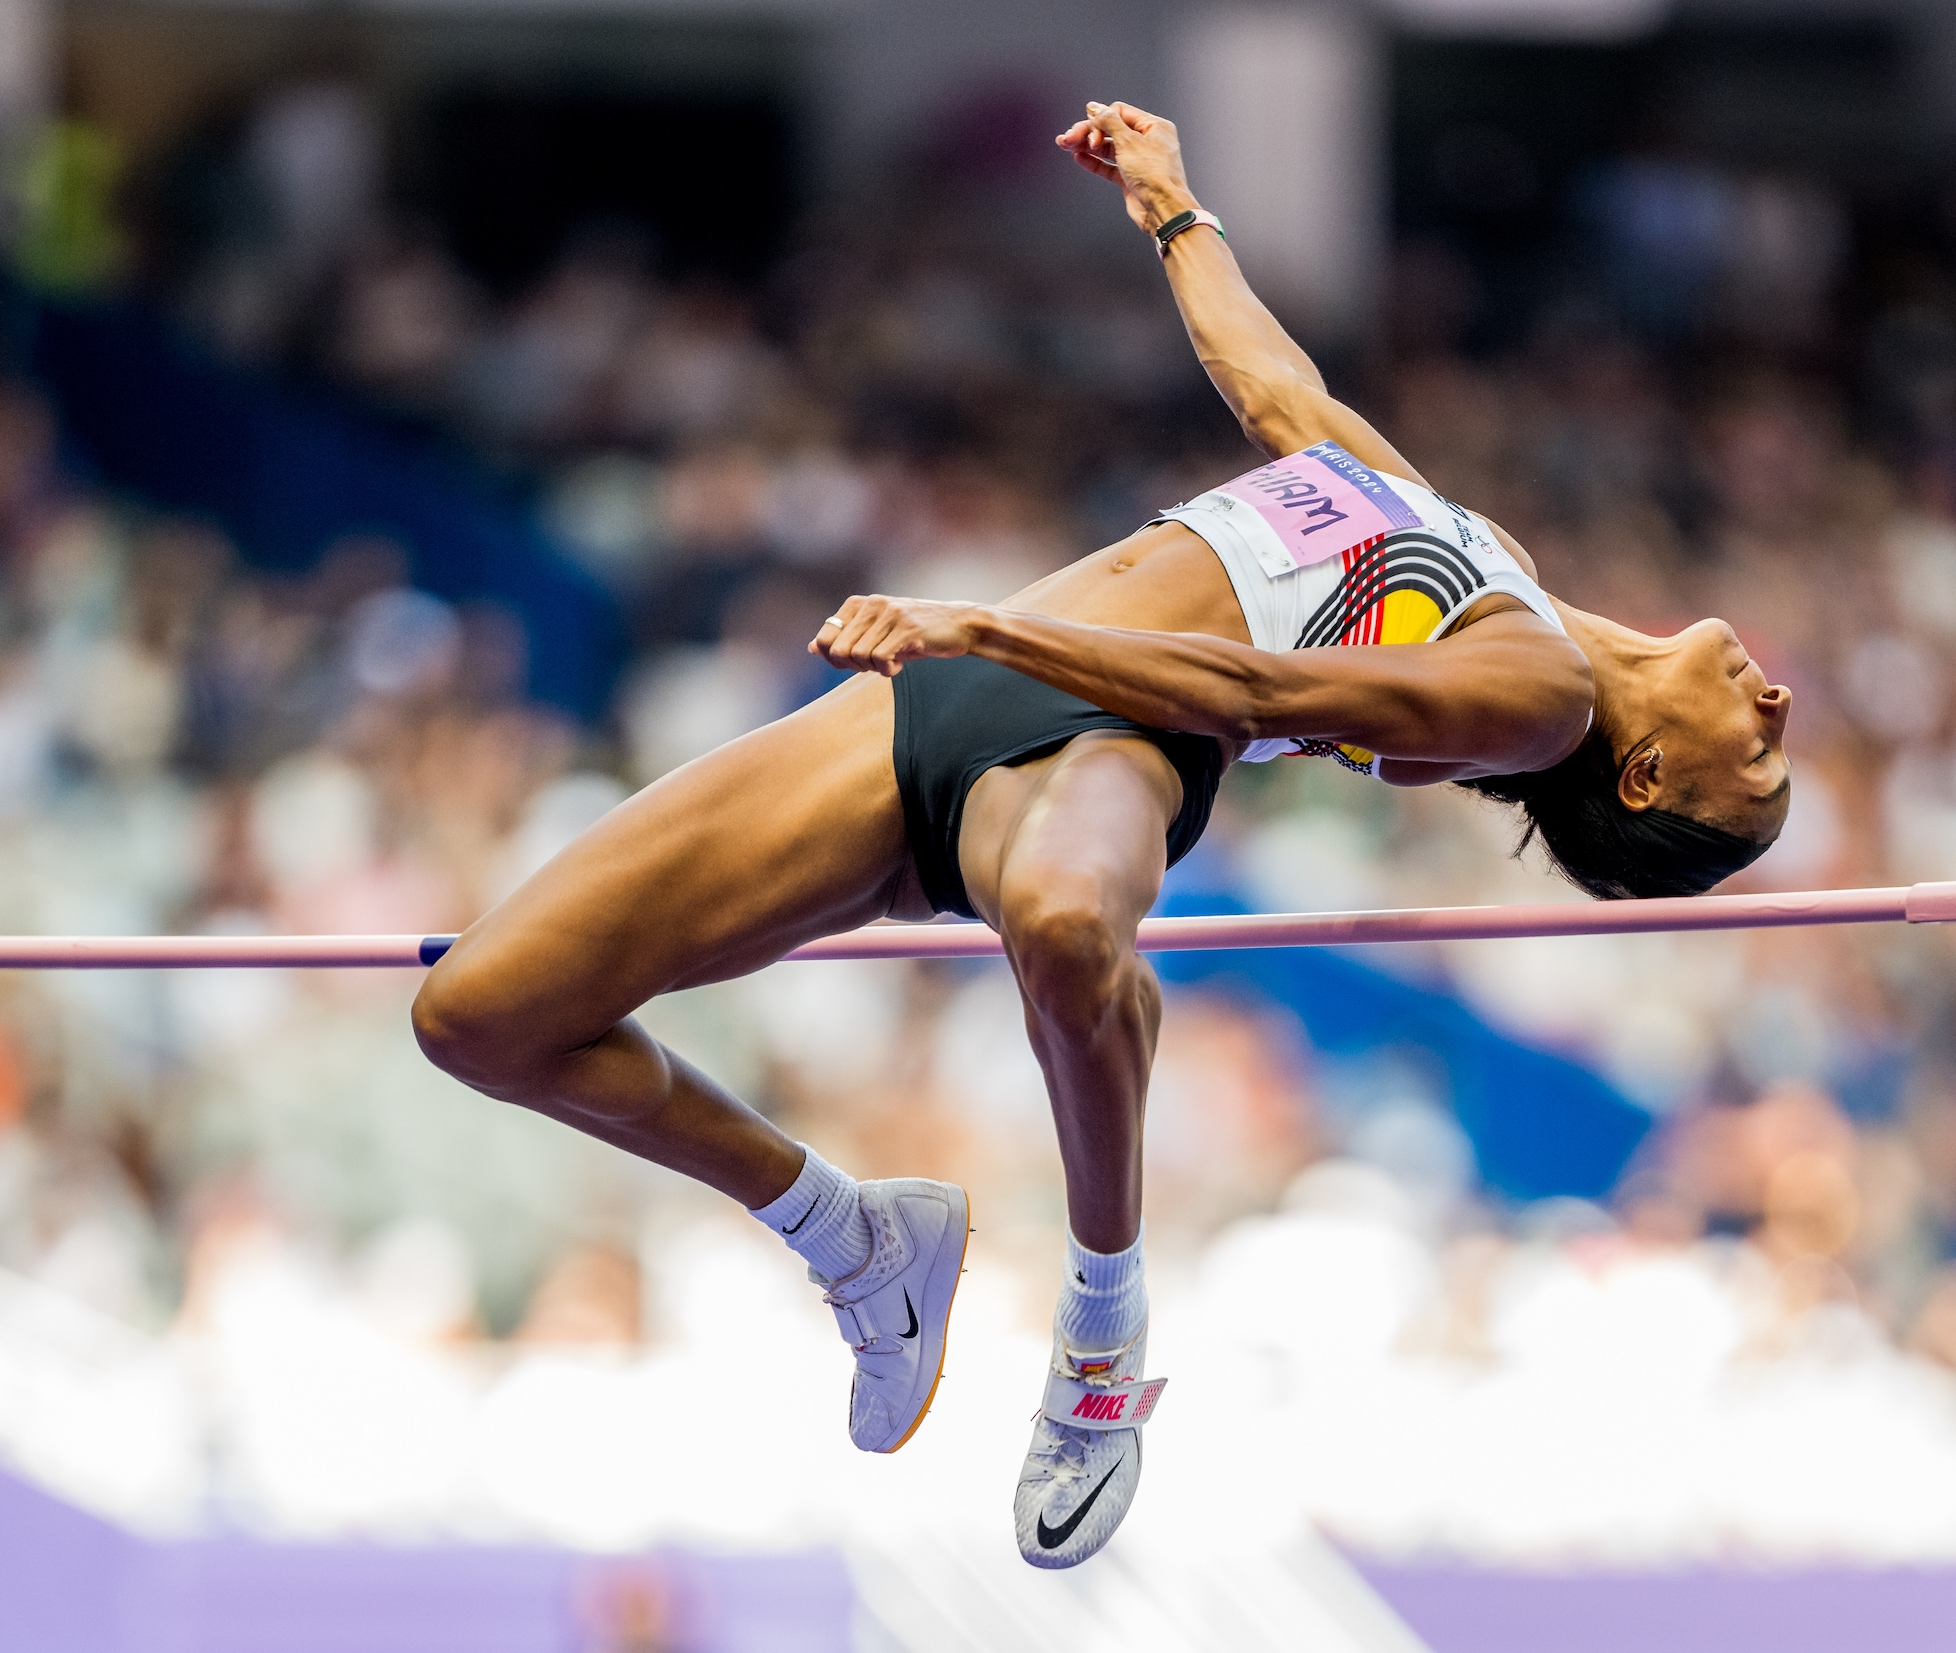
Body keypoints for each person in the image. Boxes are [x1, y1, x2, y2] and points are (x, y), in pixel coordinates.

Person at [412, 101, 1793, 1569]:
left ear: (1642, 778)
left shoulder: (1536, 693)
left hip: (1102, 745)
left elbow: (1257, 683)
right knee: (481, 1013)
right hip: (929, 708)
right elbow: (1278, 393)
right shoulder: (1491, 558)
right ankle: (852, 1239)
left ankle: (1100, 1330)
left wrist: (997, 619)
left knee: (1070, 928)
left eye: (1760, 761)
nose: (1776, 702)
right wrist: (1174, 208)